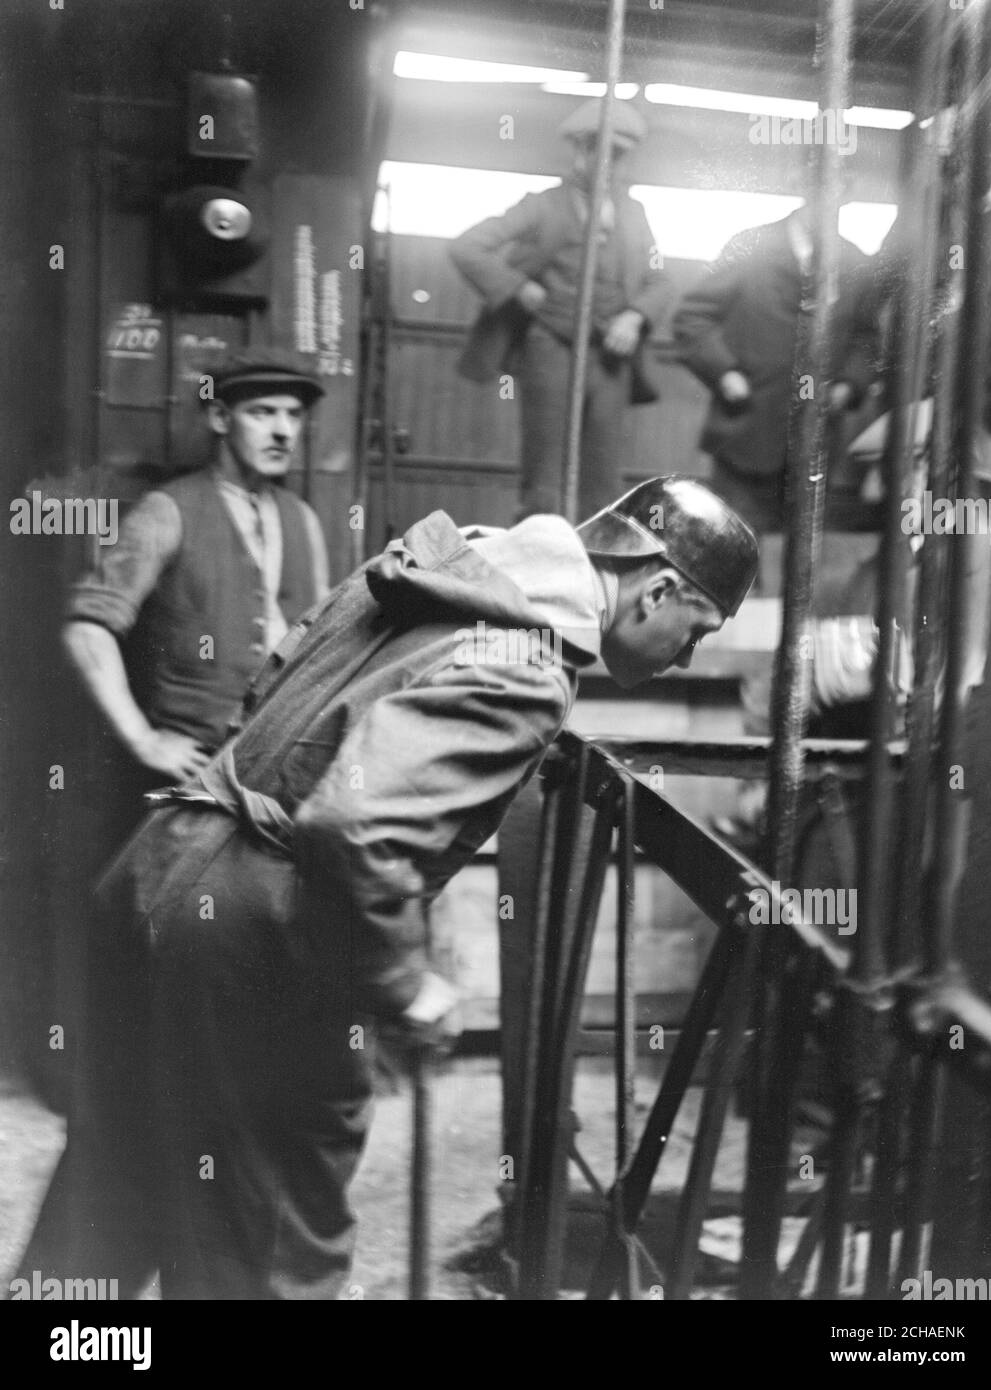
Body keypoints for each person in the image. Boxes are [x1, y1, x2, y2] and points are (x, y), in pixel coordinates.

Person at [16, 476, 758, 1300]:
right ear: (656, 590)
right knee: (270, 1252)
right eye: (697, 630)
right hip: (254, 946)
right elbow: (356, 826)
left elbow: (274, 688)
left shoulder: (446, 565)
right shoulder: (529, 667)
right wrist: (406, 987)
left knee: (112, 1197)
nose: (687, 656)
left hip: (157, 872)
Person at [64, 349, 331, 788]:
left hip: (281, 769)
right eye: (263, 413)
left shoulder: (302, 519)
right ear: (221, 419)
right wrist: (144, 740)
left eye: (294, 415)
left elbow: (323, 643)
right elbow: (87, 629)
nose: (283, 432)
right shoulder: (167, 510)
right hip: (194, 775)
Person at [450, 99, 675, 519]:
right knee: (544, 478)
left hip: (610, 361)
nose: (608, 164)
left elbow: (660, 281)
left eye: (619, 155)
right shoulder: (541, 205)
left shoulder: (636, 215)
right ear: (580, 152)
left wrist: (635, 315)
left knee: (603, 483)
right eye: (599, 152)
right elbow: (467, 246)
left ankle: (595, 575)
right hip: (548, 349)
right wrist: (516, 286)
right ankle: (540, 568)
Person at [670, 200, 881, 536]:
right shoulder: (751, 246)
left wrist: (849, 385)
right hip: (746, 429)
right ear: (804, 187)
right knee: (734, 546)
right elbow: (693, 317)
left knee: (801, 556)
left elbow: (867, 338)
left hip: (815, 436)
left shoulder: (854, 261)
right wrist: (724, 372)